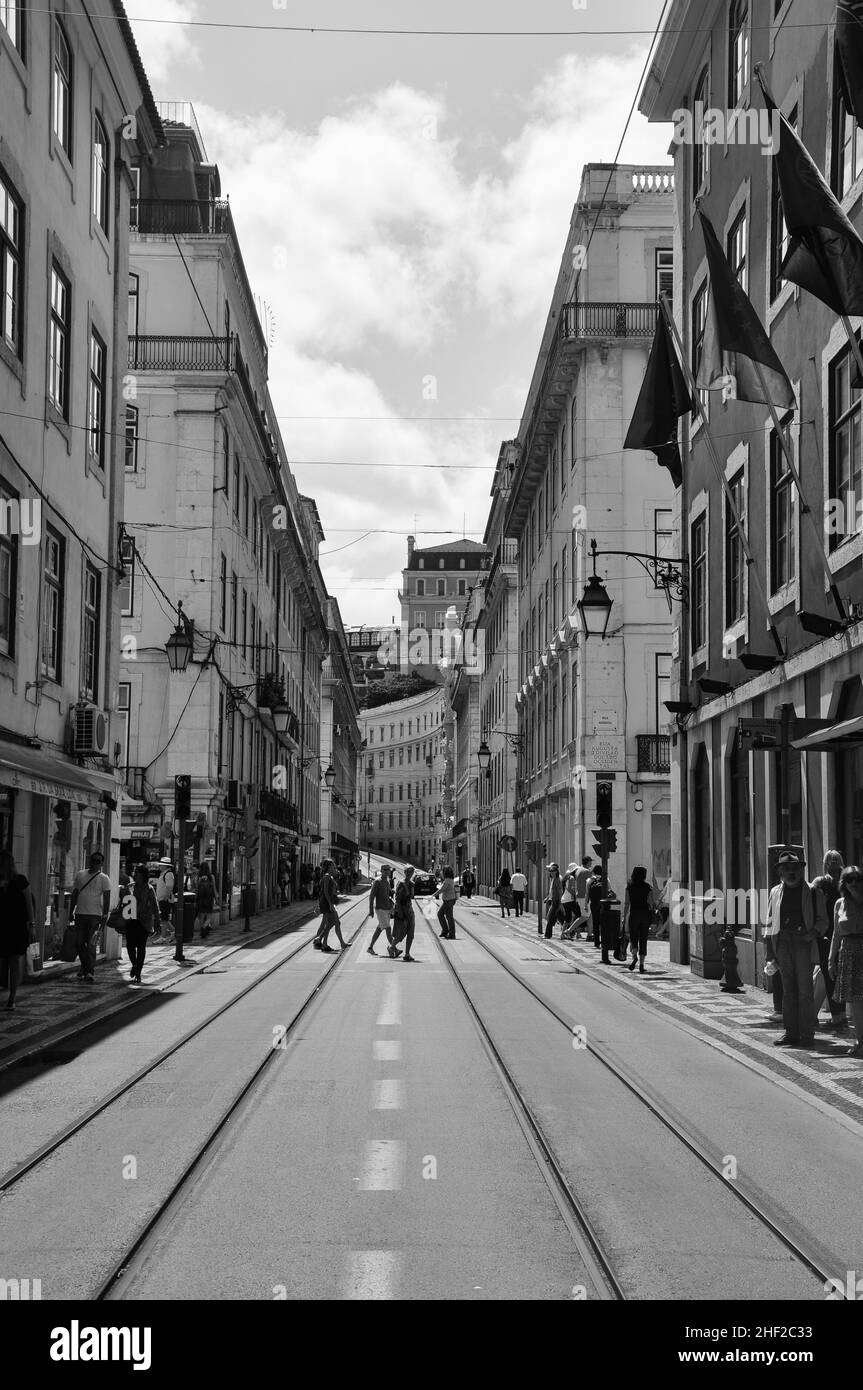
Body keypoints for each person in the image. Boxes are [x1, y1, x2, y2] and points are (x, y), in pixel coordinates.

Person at [764, 850, 828, 1048]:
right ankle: (791, 1033)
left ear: (801, 870)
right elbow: (769, 921)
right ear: (780, 872)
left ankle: (807, 1034)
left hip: (803, 943)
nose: (791, 872)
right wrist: (769, 953)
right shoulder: (775, 892)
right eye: (787, 868)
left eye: (795, 868)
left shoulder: (813, 891)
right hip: (782, 942)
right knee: (788, 990)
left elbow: (823, 921)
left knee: (805, 991)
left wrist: (812, 933)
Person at [828, 865, 863, 1058]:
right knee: (855, 1001)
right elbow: (836, 933)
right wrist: (831, 959)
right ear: (844, 883)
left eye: (858, 879)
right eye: (850, 879)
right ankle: (860, 1041)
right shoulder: (839, 904)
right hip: (848, 953)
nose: (854, 883)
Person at [811, 850, 846, 1033]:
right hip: (825, 935)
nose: (833, 863)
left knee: (836, 975)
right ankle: (836, 1015)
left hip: (843, 933)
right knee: (828, 973)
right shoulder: (820, 883)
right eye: (830, 860)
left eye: (836, 860)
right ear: (825, 863)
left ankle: (838, 1014)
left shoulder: (847, 881)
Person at [0, 850, 36, 1010]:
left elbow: (29, 904)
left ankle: (12, 998)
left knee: (14, 961)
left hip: (16, 927)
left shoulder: (21, 881)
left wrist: (32, 925)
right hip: (2, 927)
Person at [69, 850, 111, 982]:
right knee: (79, 943)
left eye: (98, 861)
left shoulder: (104, 878)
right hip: (80, 914)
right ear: (90, 861)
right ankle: (85, 966)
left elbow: (107, 899)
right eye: (93, 860)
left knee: (91, 945)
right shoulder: (80, 874)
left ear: (101, 864)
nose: (95, 863)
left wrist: (104, 917)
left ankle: (89, 972)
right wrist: (71, 911)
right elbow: (75, 893)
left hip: (95, 916)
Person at [127, 866, 159, 984]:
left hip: (144, 921)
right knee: (130, 946)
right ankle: (135, 964)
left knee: (141, 947)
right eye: (135, 873)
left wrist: (157, 920)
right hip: (131, 920)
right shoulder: (130, 887)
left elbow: (155, 905)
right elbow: (124, 902)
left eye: (138, 873)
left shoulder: (149, 889)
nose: (135, 875)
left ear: (143, 875)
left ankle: (138, 973)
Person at [623, 866, 655, 974]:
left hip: (634, 914)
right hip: (645, 915)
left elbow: (627, 903)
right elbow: (651, 903)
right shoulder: (648, 887)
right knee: (643, 939)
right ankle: (641, 964)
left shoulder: (629, 887)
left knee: (633, 937)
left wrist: (624, 916)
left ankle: (634, 957)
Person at [315, 859, 349, 952]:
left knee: (332, 922)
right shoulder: (326, 876)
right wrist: (330, 904)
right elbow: (325, 891)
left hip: (329, 902)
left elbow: (330, 891)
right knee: (334, 922)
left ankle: (323, 942)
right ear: (329, 867)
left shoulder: (329, 876)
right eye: (333, 866)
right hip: (327, 903)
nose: (335, 867)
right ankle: (322, 941)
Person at [367, 863, 398, 956]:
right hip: (380, 909)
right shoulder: (377, 881)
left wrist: (392, 892)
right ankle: (394, 949)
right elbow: (371, 896)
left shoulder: (387, 881)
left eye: (388, 869)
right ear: (381, 871)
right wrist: (371, 910)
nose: (387, 871)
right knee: (388, 929)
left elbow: (388, 893)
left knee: (379, 929)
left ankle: (370, 948)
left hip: (387, 909)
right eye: (385, 869)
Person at [392, 865, 417, 961]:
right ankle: (392, 947)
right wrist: (400, 912)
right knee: (401, 934)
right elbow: (397, 899)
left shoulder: (412, 883)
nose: (410, 873)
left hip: (410, 911)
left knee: (411, 933)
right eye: (408, 871)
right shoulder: (401, 883)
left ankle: (407, 954)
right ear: (405, 872)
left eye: (411, 872)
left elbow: (412, 897)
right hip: (402, 910)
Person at [435, 866, 458, 939]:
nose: (441, 872)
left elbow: (442, 890)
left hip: (449, 901)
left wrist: (432, 895)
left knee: (447, 916)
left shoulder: (447, 880)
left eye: (443, 871)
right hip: (448, 900)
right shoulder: (449, 880)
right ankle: (446, 931)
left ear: (445, 872)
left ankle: (451, 933)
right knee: (443, 915)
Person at [587, 866, 605, 950]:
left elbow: (587, 894)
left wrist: (585, 904)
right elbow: (609, 890)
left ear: (594, 872)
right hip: (603, 904)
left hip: (593, 904)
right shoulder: (605, 879)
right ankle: (604, 941)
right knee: (603, 923)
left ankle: (596, 942)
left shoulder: (589, 880)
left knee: (595, 923)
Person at [155, 857, 176, 930]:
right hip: (162, 900)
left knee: (164, 919)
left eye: (161, 865)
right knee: (164, 919)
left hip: (165, 900)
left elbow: (169, 886)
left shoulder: (168, 874)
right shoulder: (164, 874)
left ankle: (164, 936)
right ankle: (173, 933)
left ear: (165, 866)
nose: (160, 866)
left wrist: (165, 897)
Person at [559, 864, 580, 938]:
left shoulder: (565, 878)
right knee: (579, 916)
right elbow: (571, 889)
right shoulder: (571, 878)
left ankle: (562, 934)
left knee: (568, 918)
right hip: (570, 899)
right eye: (576, 870)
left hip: (564, 900)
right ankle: (576, 933)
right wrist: (576, 895)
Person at [195, 867, 216, 939]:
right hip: (209, 899)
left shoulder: (198, 877)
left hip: (200, 899)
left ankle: (202, 930)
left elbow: (196, 888)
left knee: (202, 916)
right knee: (209, 916)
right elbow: (214, 888)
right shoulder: (211, 877)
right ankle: (204, 927)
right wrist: (216, 898)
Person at [544, 863, 562, 940]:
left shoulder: (557, 879)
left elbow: (560, 891)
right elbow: (552, 891)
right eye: (550, 871)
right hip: (554, 900)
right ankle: (570, 931)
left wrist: (561, 902)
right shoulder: (553, 879)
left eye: (553, 871)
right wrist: (548, 897)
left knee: (550, 917)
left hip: (557, 901)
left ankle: (547, 935)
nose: (551, 872)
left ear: (556, 871)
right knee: (561, 918)